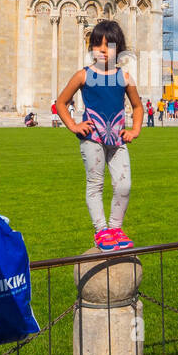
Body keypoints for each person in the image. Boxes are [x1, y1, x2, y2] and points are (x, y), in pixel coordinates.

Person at [55, 19, 142, 251]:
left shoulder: (124, 77)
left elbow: (138, 106)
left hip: (118, 140)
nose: (103, 50)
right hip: (92, 139)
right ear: (91, 47)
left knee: (124, 185)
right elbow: (61, 103)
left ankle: (115, 227)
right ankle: (101, 230)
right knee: (95, 185)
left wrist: (135, 130)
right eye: (97, 44)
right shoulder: (82, 75)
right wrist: (74, 126)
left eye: (109, 45)